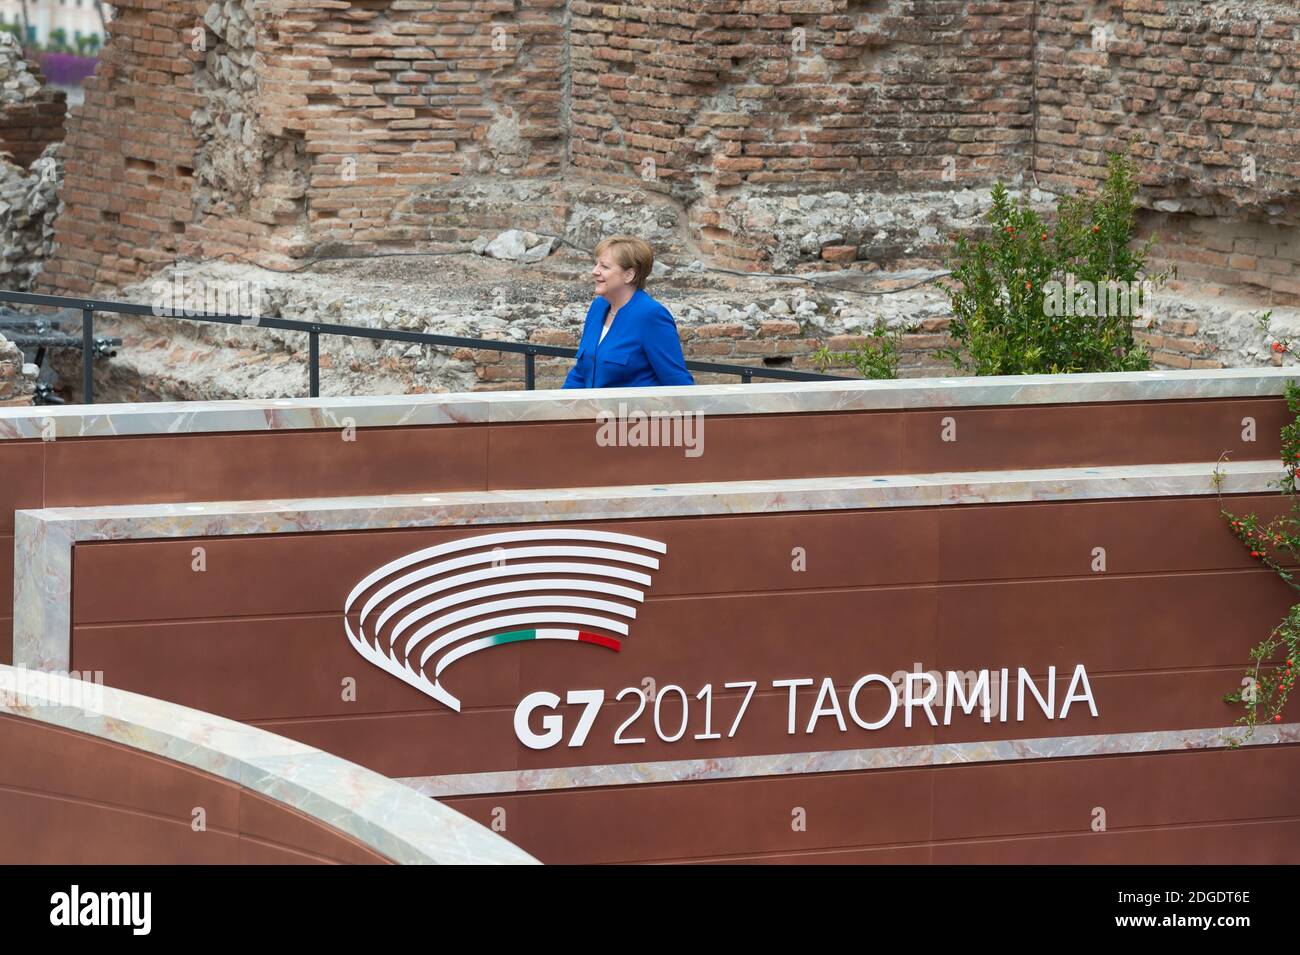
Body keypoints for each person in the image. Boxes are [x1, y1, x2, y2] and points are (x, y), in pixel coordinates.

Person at [562, 235, 694, 389]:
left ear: (629, 275)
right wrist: (557, 406)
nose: (594, 271)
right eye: (596, 264)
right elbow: (581, 372)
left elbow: (678, 384)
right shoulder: (598, 307)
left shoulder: (651, 316)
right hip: (593, 412)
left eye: (604, 266)